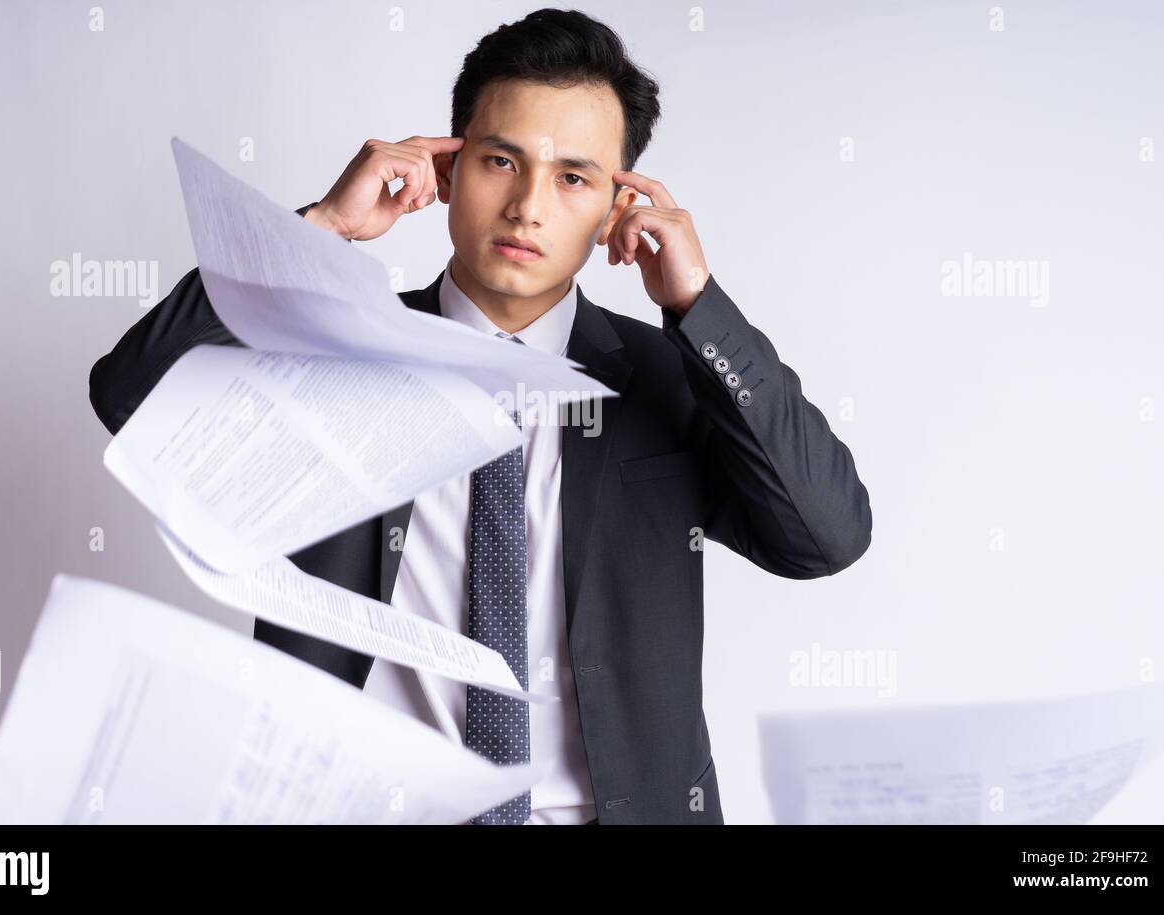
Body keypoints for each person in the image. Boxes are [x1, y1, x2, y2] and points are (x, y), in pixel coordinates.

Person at [89, 8, 873, 825]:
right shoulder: (331, 350)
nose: (528, 206)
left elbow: (825, 536)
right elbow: (131, 397)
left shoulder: (669, 377)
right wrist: (320, 233)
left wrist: (697, 306)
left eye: (574, 177)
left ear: (618, 210)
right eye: (501, 161)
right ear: (451, 168)